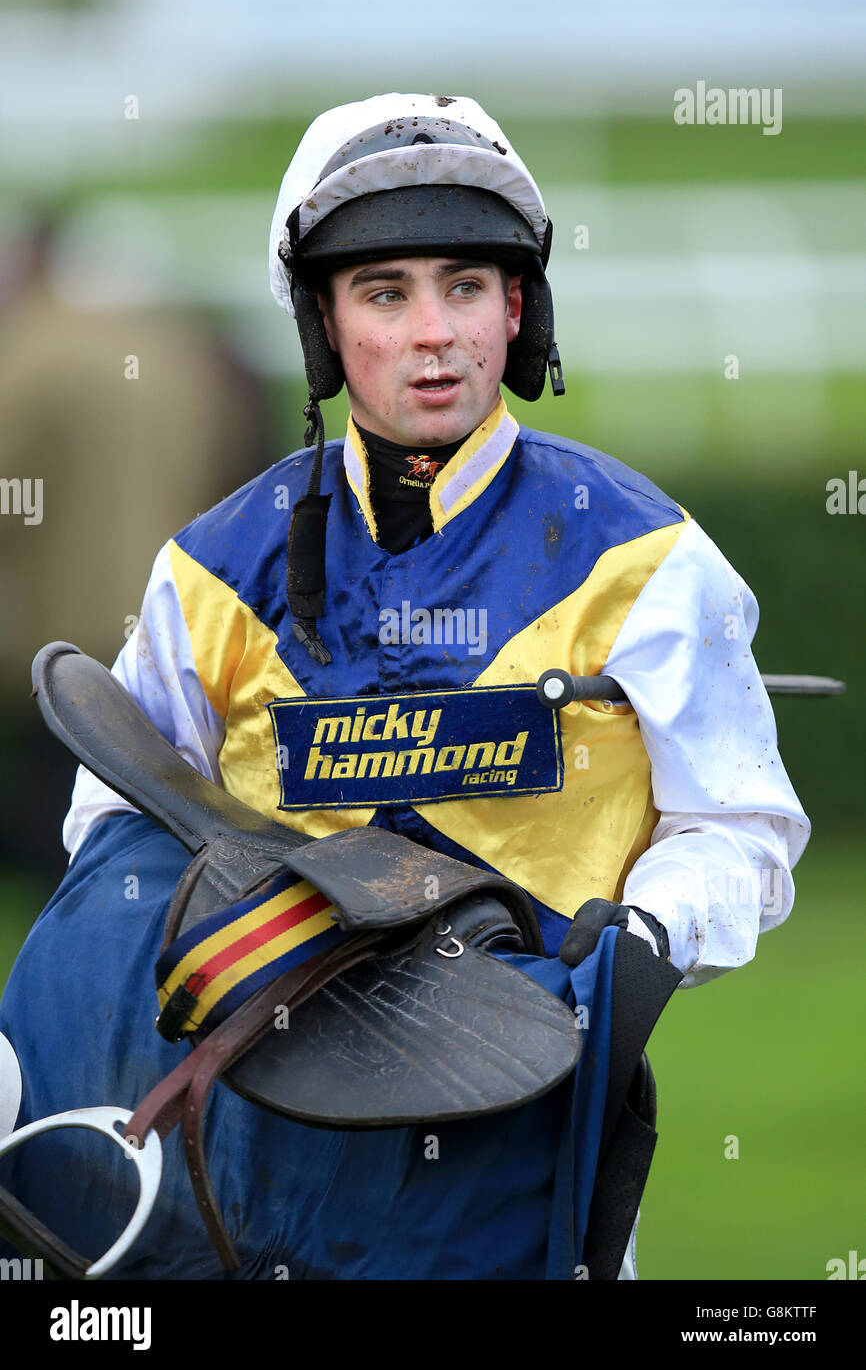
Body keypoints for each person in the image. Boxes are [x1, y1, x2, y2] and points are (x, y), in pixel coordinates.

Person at [0, 93, 809, 1281]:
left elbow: (741, 826)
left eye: (465, 287)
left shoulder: (648, 562)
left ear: (516, 309)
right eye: (385, 293)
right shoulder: (212, 572)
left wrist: (648, 927)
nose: (434, 335)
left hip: (524, 1133)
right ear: (326, 324)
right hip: (260, 1153)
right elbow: (115, 850)